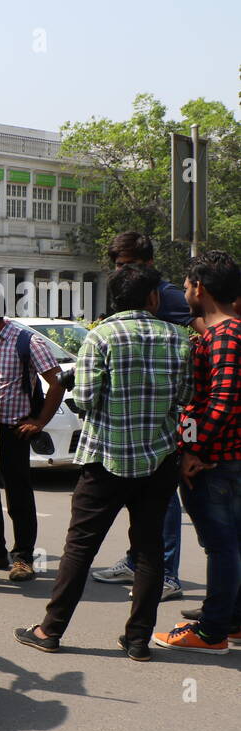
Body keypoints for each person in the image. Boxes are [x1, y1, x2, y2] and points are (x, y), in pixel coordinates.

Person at [13, 264, 191, 661]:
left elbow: (87, 398)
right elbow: (185, 395)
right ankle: (138, 640)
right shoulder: (179, 337)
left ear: (115, 299)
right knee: (148, 551)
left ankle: (50, 630)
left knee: (80, 548)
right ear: (153, 298)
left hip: (105, 459)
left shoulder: (101, 336)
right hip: (159, 458)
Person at [89, 231, 199, 598]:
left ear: (147, 265)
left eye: (128, 266)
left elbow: (203, 332)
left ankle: (167, 574)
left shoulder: (165, 295)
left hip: (166, 417)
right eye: (118, 266)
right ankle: (138, 561)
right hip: (137, 418)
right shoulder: (133, 298)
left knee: (164, 501)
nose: (122, 272)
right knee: (146, 503)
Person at [153, 251, 241, 655]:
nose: (184, 291)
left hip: (218, 462)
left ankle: (211, 632)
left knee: (221, 546)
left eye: (187, 285)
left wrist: (195, 450)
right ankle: (229, 618)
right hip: (225, 457)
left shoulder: (224, 336)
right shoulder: (226, 333)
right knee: (231, 544)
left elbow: (221, 403)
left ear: (200, 288)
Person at [0, 288, 64, 581]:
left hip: (13, 432)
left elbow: (57, 382)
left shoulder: (27, 341)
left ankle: (23, 558)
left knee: (18, 497)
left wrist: (40, 421)